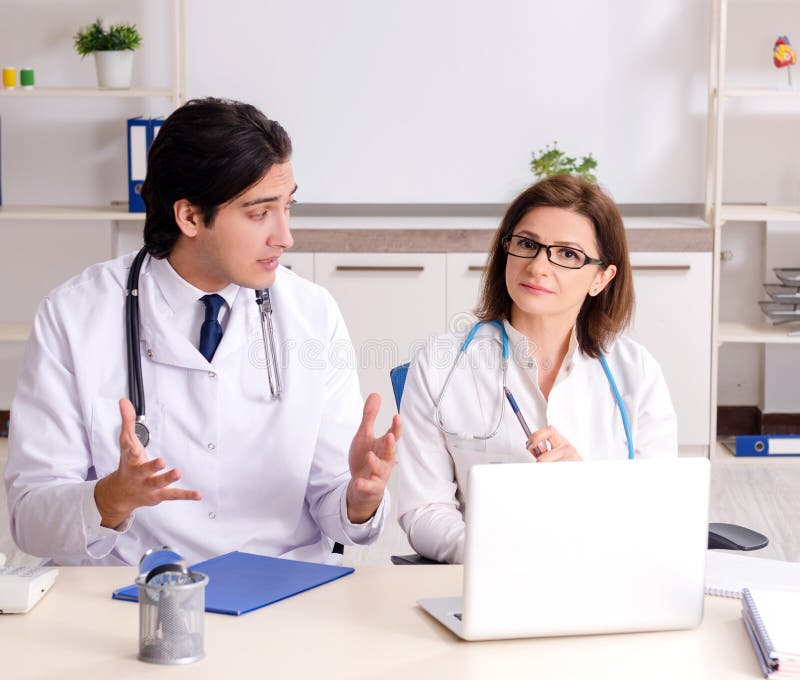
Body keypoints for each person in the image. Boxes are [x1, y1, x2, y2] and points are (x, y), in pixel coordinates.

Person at [4, 98, 400, 566]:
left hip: (284, 591)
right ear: (189, 216)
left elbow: (335, 504)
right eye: (259, 214)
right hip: (132, 594)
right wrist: (111, 498)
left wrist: (359, 500)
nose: (285, 236)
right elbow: (29, 519)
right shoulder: (74, 315)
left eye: (288, 207)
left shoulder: (313, 313)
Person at [395, 175, 677, 564]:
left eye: (568, 254)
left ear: (601, 278)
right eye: (528, 245)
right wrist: (494, 557)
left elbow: (659, 510)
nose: (539, 266)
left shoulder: (637, 372)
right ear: (506, 250)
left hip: (605, 575)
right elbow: (424, 511)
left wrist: (589, 488)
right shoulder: (439, 365)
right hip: (488, 580)